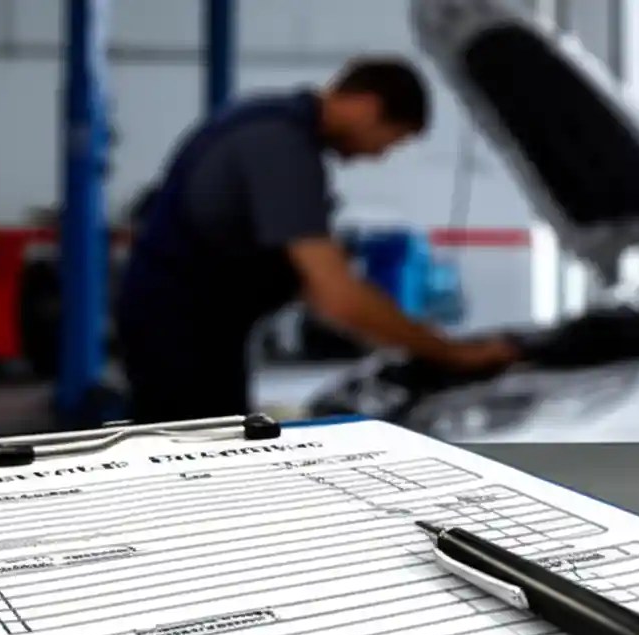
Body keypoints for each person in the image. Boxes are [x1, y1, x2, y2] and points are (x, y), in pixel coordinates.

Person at [116, 55, 519, 423]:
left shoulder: (268, 123)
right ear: (369, 107)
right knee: (197, 461)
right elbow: (336, 297)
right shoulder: (281, 148)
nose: (379, 155)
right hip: (181, 337)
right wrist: (450, 354)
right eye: (390, 140)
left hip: (195, 328)